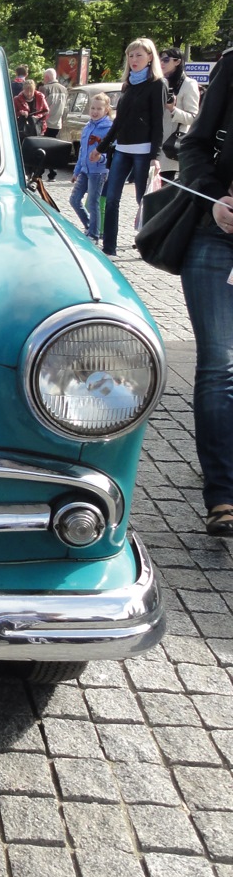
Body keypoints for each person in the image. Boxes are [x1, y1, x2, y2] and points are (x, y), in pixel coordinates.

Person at [177, 46, 233, 536]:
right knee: (219, 364)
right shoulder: (232, 64)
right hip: (218, 235)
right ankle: (223, 496)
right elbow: (191, 146)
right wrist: (215, 198)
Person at [90, 38, 165, 258]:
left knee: (144, 200)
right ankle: (109, 247)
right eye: (131, 56)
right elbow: (118, 122)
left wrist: (155, 155)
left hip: (144, 151)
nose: (134, 60)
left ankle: (148, 246)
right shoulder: (127, 85)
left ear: (150, 57)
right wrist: (100, 148)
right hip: (122, 149)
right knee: (112, 198)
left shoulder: (157, 84)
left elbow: (158, 122)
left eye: (139, 55)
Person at [69, 94, 113, 243]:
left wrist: (101, 158)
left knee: (93, 202)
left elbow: (113, 152)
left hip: (99, 171)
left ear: (106, 110)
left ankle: (94, 234)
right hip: (85, 170)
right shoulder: (87, 126)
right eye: (93, 108)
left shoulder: (109, 128)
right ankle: (90, 226)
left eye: (99, 108)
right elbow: (82, 151)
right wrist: (77, 170)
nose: (95, 111)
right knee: (74, 200)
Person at [158, 46, 200, 179]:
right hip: (155, 144)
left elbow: (193, 118)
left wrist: (172, 109)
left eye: (166, 60)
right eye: (160, 60)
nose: (161, 63)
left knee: (166, 189)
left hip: (171, 145)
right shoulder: (159, 82)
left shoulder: (189, 84)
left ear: (177, 62)